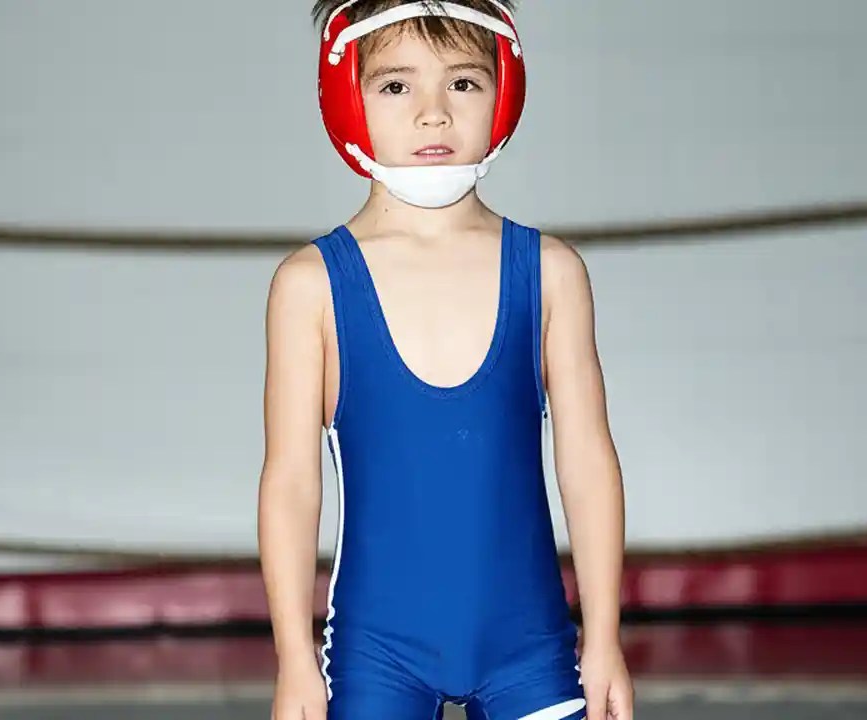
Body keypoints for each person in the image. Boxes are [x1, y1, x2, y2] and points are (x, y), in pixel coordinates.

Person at [256, 2, 632, 719]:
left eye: (462, 82)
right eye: (396, 85)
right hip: (377, 653)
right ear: (346, 97)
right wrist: (294, 661)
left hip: (532, 650)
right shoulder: (311, 287)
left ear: (504, 91)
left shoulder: (551, 274)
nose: (433, 112)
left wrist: (606, 639)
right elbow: (291, 484)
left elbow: (587, 463)